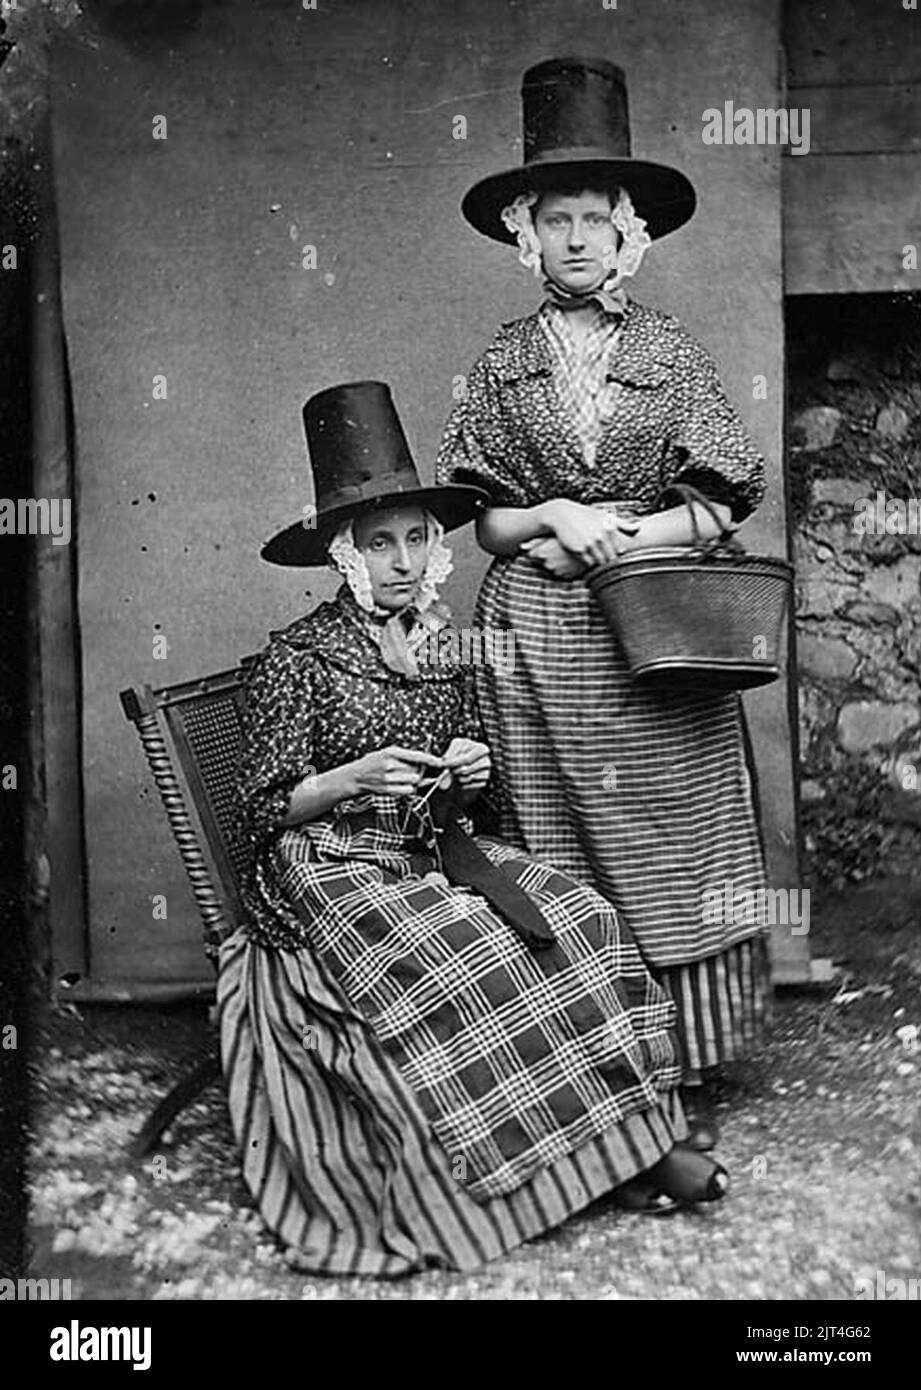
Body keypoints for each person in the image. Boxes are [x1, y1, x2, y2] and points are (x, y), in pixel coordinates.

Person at [217, 379, 729, 1277]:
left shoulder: (446, 643)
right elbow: (258, 813)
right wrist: (348, 779)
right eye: (380, 544)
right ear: (342, 555)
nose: (405, 561)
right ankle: (544, 1177)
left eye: (418, 538)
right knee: (467, 950)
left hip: (427, 845)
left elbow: (469, 801)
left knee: (581, 917)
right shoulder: (295, 658)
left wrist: (471, 771)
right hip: (328, 862)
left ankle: (626, 1149)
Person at [436, 57, 771, 1147]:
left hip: (656, 624)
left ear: (631, 233)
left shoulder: (670, 352)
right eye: (554, 219)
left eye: (596, 219)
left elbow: (725, 500)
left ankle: (682, 1053)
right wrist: (554, 517)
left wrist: (633, 532)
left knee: (675, 824)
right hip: (534, 629)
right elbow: (483, 519)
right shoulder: (500, 363)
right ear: (522, 234)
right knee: (554, 834)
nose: (576, 239)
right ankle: (592, 1051)